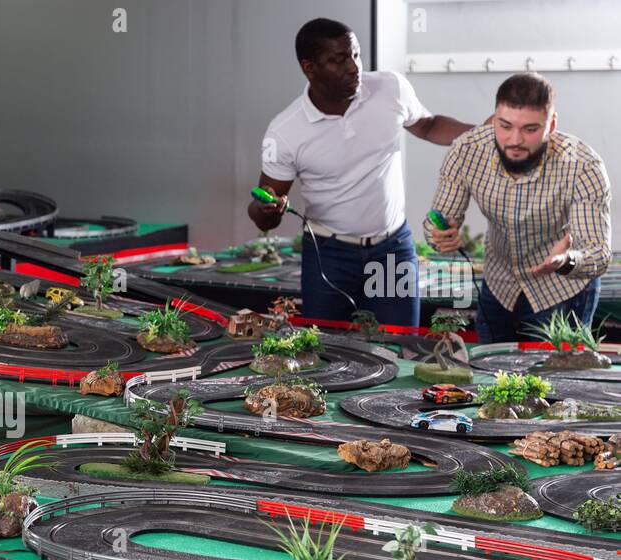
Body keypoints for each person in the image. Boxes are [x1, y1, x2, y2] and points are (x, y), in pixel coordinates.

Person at [248, 18, 475, 328]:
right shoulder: (285, 131)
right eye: (338, 60)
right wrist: (267, 208)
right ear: (309, 68)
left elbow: (428, 125)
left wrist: (485, 134)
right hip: (329, 254)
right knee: (327, 348)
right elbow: (265, 213)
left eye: (354, 54)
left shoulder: (390, 88)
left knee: (400, 343)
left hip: (391, 249)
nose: (353, 67)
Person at [424, 72, 611, 344]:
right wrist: (439, 235)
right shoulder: (466, 150)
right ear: (495, 118)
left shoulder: (583, 166)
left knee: (554, 383)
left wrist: (566, 261)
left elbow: (598, 254)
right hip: (498, 286)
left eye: (530, 129)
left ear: (552, 124)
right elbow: (438, 220)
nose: (515, 140)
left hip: (561, 290)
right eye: (505, 126)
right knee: (488, 376)